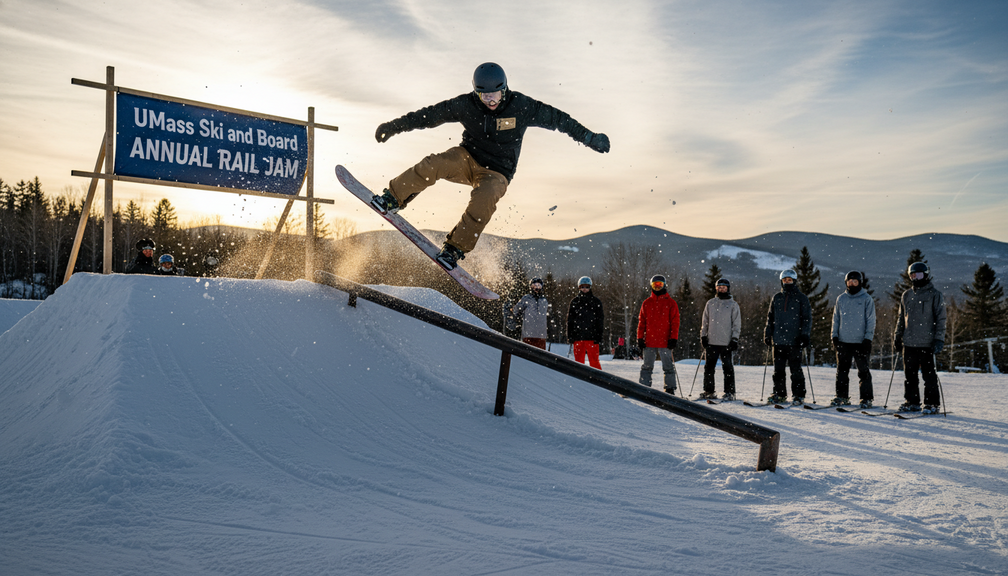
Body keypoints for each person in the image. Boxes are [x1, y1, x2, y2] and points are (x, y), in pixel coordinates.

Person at [371, 62, 610, 270]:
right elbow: (429, 115)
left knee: (485, 199)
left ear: (505, 89)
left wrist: (589, 137)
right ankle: (393, 197)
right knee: (434, 163)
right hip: (467, 158)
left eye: (496, 95)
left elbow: (560, 120)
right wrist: (393, 127)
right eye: (484, 97)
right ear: (476, 93)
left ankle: (455, 248)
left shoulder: (522, 106)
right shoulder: (465, 105)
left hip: (497, 173)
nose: (491, 101)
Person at [894, 262, 946, 414]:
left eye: (918, 274)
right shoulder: (906, 295)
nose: (915, 277)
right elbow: (901, 318)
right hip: (909, 342)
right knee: (910, 376)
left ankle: (932, 403)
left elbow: (941, 319)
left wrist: (939, 339)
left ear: (926, 275)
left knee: (929, 376)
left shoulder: (935, 295)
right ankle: (912, 402)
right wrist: (897, 336)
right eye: (912, 275)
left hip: (927, 343)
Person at [764, 269, 812, 405]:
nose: (787, 282)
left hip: (795, 340)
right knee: (778, 371)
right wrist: (768, 334)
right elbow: (770, 318)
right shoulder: (777, 298)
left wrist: (805, 335)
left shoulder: (801, 298)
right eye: (784, 280)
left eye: (789, 280)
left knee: (795, 370)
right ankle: (779, 394)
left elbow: (807, 318)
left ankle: (798, 395)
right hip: (778, 340)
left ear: (794, 281)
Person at [830, 271, 876, 408]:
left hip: (860, 342)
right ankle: (841, 396)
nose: (852, 284)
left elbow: (871, 320)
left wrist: (868, 338)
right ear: (846, 283)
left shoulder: (866, 299)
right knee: (842, 371)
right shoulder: (841, 299)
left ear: (859, 282)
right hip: (843, 341)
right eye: (849, 281)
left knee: (863, 371)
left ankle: (866, 399)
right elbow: (836, 319)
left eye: (855, 281)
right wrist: (834, 336)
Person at [636, 274, 680, 393]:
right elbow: (642, 322)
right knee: (647, 366)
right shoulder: (647, 303)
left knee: (668, 366)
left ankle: (670, 388)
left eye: (659, 285)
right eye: (655, 285)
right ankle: (644, 387)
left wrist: (673, 338)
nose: (657, 287)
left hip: (665, 341)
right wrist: (640, 338)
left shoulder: (671, 303)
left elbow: (675, 323)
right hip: (649, 341)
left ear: (664, 286)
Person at [699, 278, 741, 401]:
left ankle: (730, 392)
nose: (721, 289)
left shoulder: (733, 304)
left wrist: (735, 339)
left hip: (726, 342)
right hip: (711, 341)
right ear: (716, 288)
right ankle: (709, 391)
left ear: (728, 289)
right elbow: (705, 321)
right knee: (709, 367)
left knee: (727, 367)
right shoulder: (710, 303)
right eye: (719, 287)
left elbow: (736, 324)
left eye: (724, 287)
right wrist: (703, 336)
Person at [567, 276, 604, 369]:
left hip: (592, 336)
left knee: (594, 361)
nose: (584, 289)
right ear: (579, 287)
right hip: (578, 336)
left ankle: (597, 377)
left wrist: (599, 335)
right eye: (582, 287)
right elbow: (570, 320)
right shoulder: (575, 302)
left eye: (587, 287)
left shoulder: (596, 302)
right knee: (578, 362)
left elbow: (600, 320)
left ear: (590, 287)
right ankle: (578, 377)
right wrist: (570, 335)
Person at [512, 277, 550, 350]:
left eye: (539, 286)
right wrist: (517, 315)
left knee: (540, 355)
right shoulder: (526, 298)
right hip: (528, 334)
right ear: (531, 287)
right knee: (527, 354)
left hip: (541, 335)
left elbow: (546, 316)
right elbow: (516, 310)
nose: (536, 288)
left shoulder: (544, 301)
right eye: (534, 285)